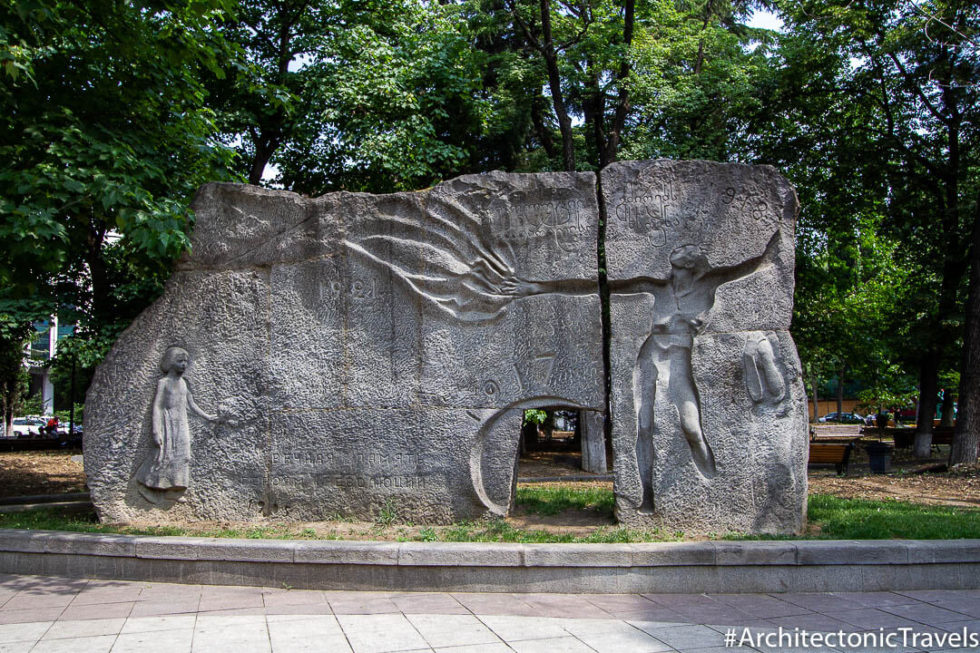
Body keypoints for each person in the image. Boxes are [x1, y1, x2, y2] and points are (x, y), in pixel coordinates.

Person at [135, 347, 219, 503]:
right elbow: (158, 406)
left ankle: (173, 489)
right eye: (180, 361)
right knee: (163, 457)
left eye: (186, 361)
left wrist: (207, 417)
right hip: (167, 425)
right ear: (170, 362)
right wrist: (155, 430)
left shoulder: (183, 383)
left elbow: (191, 404)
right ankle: (146, 486)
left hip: (181, 424)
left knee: (183, 456)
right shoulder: (164, 383)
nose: (184, 365)